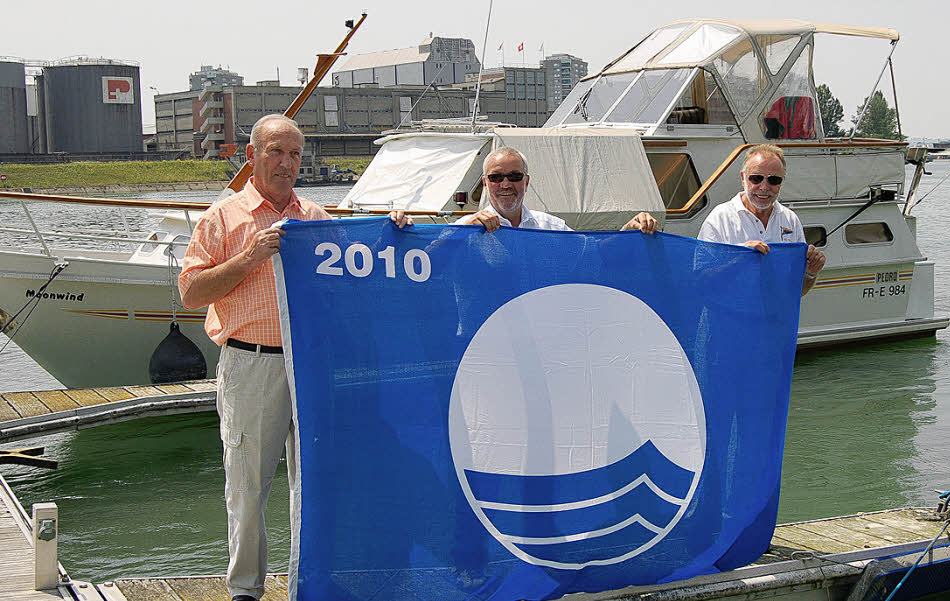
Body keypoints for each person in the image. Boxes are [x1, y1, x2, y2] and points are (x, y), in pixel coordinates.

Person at [177, 114, 413, 601]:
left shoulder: (316, 219)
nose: (286, 164)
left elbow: (360, 273)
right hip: (252, 365)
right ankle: (245, 589)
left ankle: (310, 582)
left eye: (294, 154)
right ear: (252, 156)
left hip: (312, 368)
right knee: (247, 486)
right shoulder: (223, 218)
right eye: (276, 152)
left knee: (317, 482)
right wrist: (249, 257)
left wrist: (393, 232)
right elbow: (191, 292)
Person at [697, 144, 825, 296]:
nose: (764, 187)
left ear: (782, 182)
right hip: (729, 318)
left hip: (774, 318)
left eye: (774, 180)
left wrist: (810, 273)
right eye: (756, 178)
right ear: (743, 178)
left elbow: (795, 292)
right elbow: (700, 280)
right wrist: (739, 257)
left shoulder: (790, 219)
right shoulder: (720, 218)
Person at [445, 146, 658, 233]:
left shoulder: (552, 228)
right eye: (496, 177)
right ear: (485, 183)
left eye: (515, 176)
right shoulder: (464, 228)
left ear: (526, 182)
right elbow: (430, 261)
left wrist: (628, 231)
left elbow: (595, 255)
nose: (506, 184)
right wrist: (460, 235)